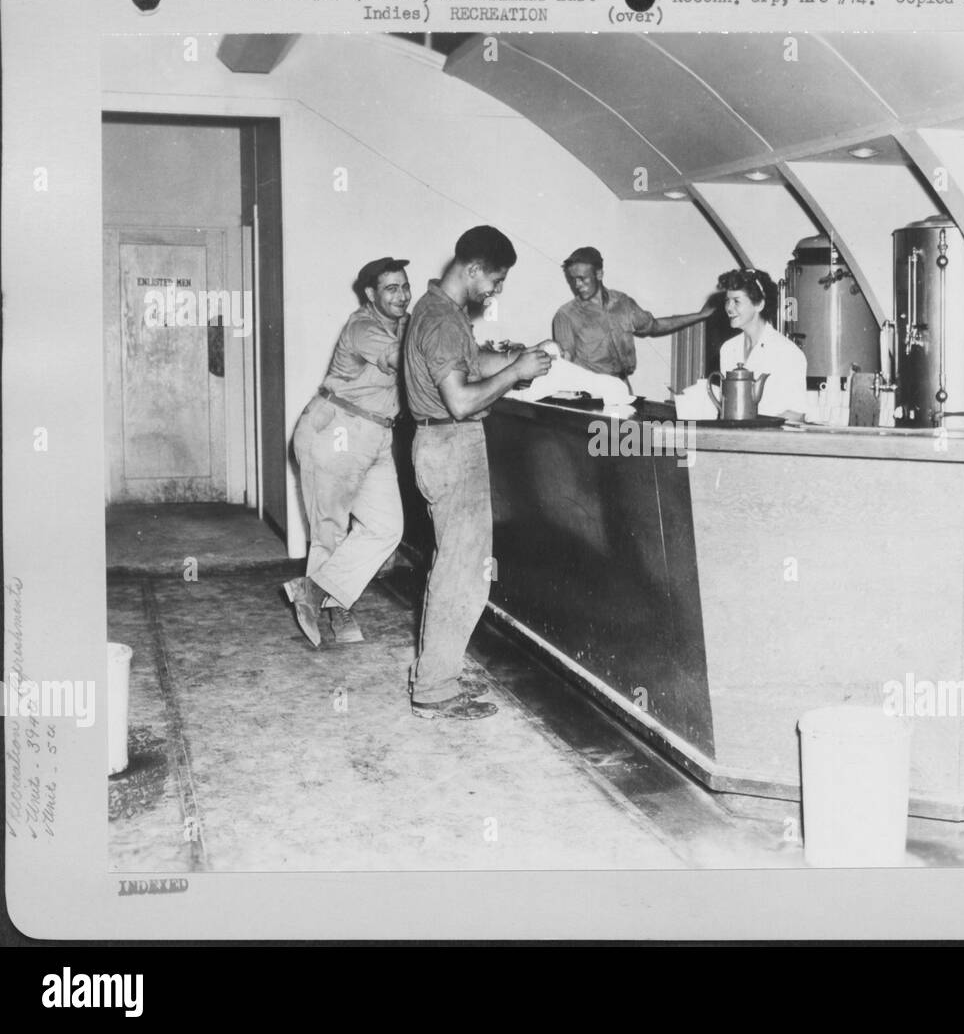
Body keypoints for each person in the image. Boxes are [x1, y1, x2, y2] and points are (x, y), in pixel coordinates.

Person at [402, 226, 554, 720]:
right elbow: (462, 399)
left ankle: (435, 673)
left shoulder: (436, 309)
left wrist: (515, 359)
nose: (496, 290)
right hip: (451, 443)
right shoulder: (444, 322)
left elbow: (467, 362)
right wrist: (513, 375)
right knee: (462, 574)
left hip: (438, 443)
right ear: (472, 270)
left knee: (454, 566)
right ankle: (435, 689)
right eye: (496, 279)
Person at [284, 257, 412, 647]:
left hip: (376, 433)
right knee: (330, 531)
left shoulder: (404, 324)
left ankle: (316, 590)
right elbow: (403, 360)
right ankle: (338, 608)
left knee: (386, 527)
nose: (402, 295)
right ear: (371, 294)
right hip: (337, 427)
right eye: (391, 288)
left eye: (405, 286)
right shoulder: (364, 327)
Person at [551, 246, 715, 388]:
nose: (577, 285)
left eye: (582, 279)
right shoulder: (566, 315)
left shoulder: (623, 303)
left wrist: (700, 315)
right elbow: (565, 363)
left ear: (599, 274)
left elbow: (655, 326)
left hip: (622, 387)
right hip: (590, 391)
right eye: (573, 280)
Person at [716, 268, 807, 421]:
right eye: (727, 301)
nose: (729, 308)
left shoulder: (788, 352)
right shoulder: (728, 349)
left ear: (759, 305)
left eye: (736, 301)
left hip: (771, 441)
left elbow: (796, 415)